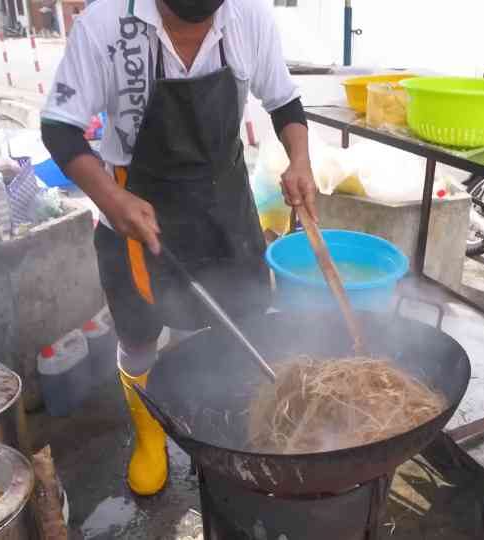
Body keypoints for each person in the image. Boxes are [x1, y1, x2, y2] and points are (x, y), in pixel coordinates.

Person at [40, 0, 315, 496]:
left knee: (244, 319)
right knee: (140, 333)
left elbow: (285, 103)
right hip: (135, 202)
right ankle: (149, 438)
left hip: (224, 203)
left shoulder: (249, 18)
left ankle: (235, 429)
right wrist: (110, 197)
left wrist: (301, 160)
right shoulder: (105, 24)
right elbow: (59, 126)